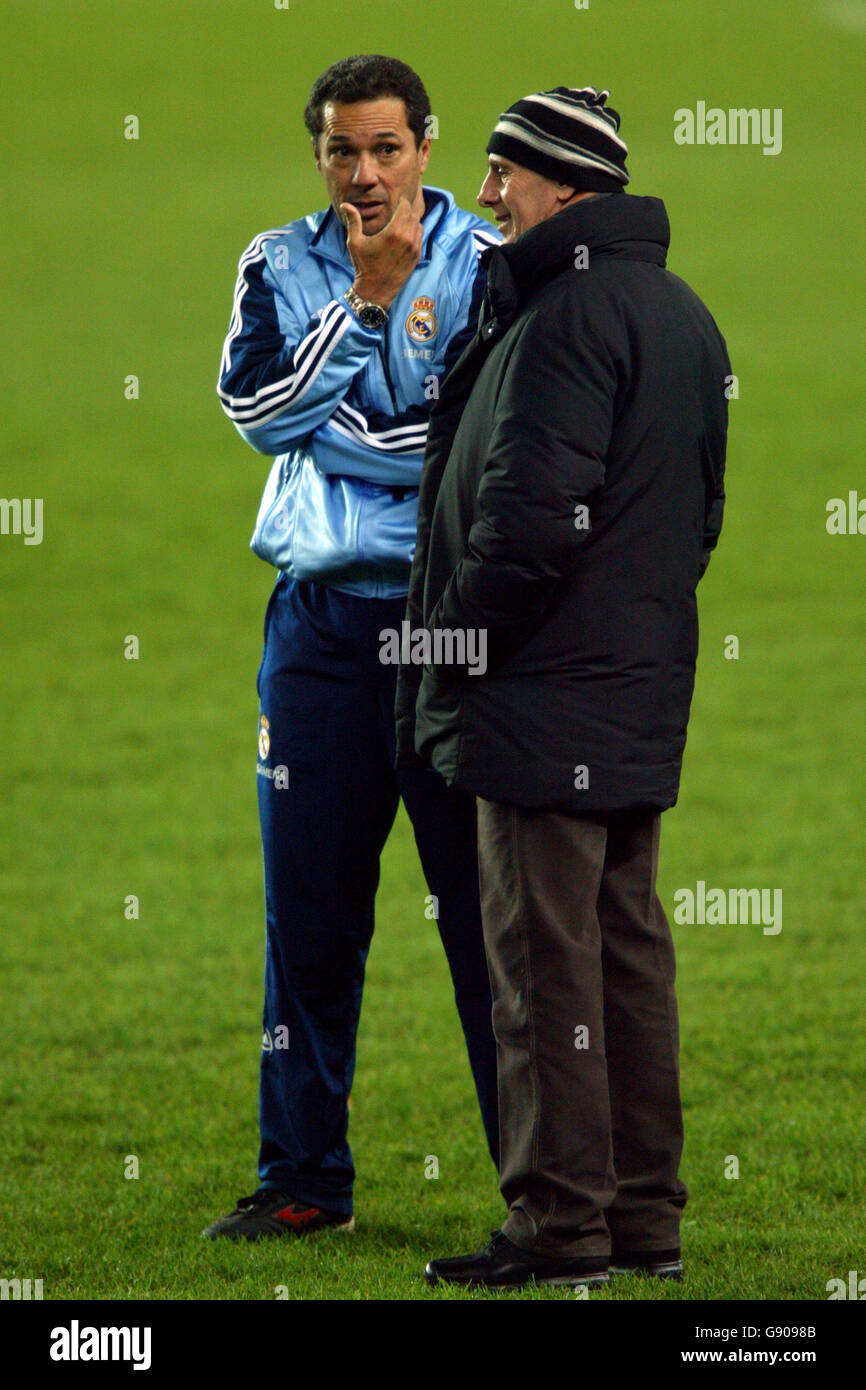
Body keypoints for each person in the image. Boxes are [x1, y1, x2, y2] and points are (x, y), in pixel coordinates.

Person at [395, 86, 730, 1288]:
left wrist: (440, 647)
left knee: (542, 970)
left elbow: (525, 530)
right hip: (632, 693)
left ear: (562, 186)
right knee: (626, 960)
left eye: (502, 173)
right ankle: (643, 1221)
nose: (484, 197)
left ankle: (557, 1229)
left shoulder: (562, 319)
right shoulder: (681, 315)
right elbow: (696, 523)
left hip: (538, 706)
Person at [205, 54, 501, 1242]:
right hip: (319, 635)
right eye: (342, 151)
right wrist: (368, 308)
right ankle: (302, 1182)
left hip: (450, 629)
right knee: (309, 919)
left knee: (490, 924)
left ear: (427, 145)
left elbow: (465, 442)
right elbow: (253, 416)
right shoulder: (273, 262)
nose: (365, 174)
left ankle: (543, 1190)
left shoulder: (489, 263)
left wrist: (332, 414)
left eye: (387, 148)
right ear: (318, 155)